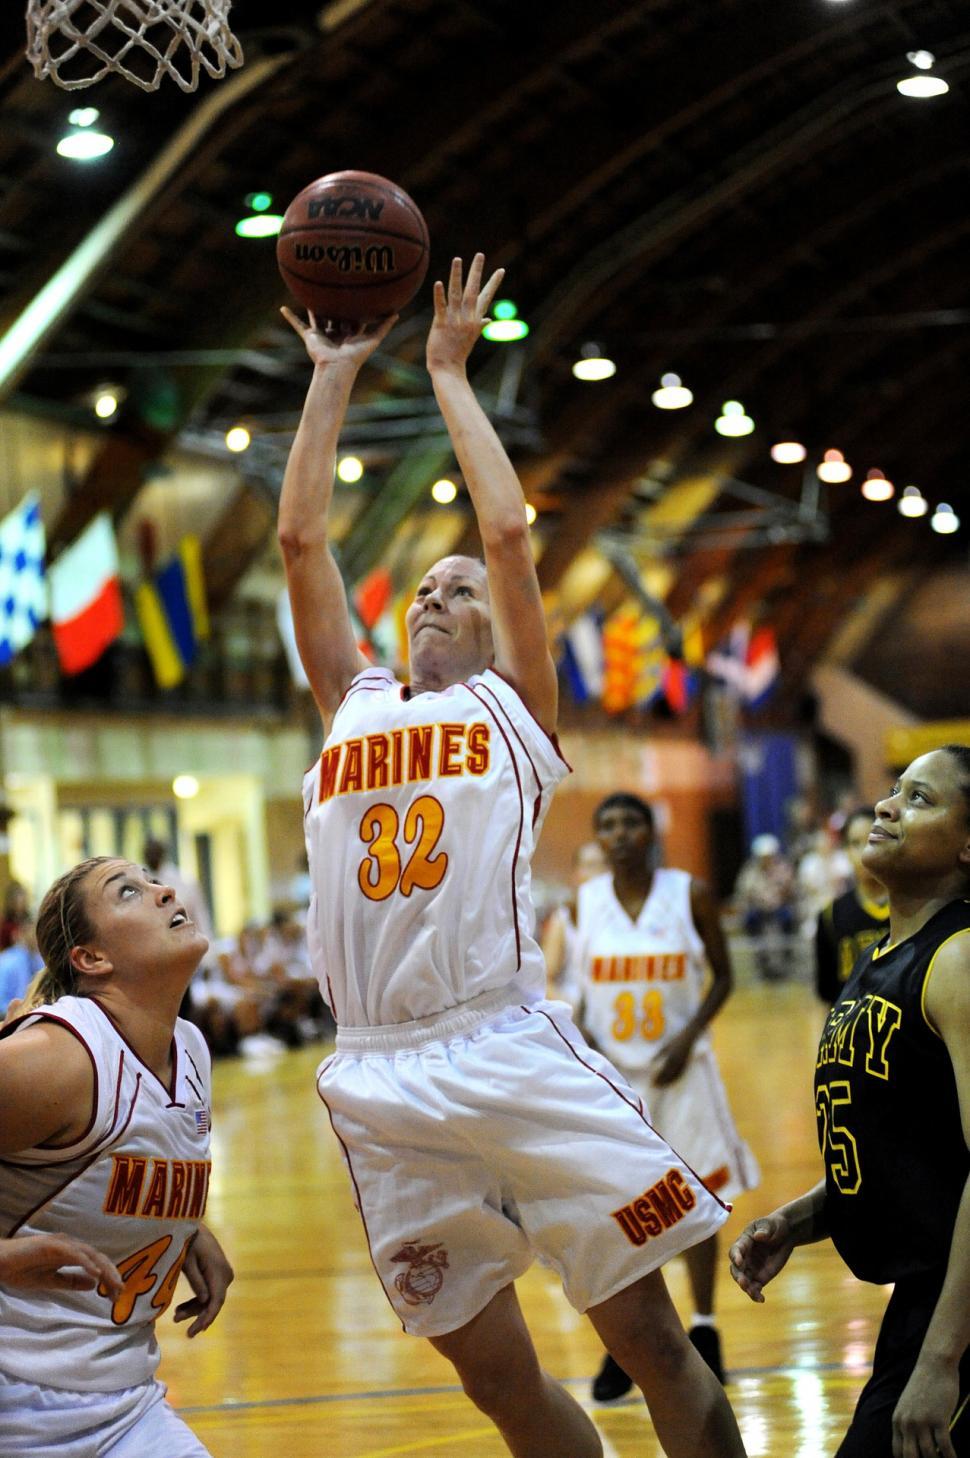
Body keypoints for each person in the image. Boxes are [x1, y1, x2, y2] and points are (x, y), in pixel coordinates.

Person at [279, 254, 749, 1458]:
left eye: (459, 591)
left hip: (500, 1042)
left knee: (651, 1346)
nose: (434, 597)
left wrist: (448, 371)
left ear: (498, 626)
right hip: (378, 1074)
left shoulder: (511, 709)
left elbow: (502, 528)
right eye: (422, 590)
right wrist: (332, 371)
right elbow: (298, 539)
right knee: (499, 1389)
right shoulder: (352, 707)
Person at [729, 745, 970, 1458]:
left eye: (920, 799)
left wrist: (943, 1360)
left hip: (956, 1315)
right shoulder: (878, 961)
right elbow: (907, 1149)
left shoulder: (958, 959)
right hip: (928, 1302)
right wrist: (802, 1218)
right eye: (895, 790)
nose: (887, 806)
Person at [0, 856, 233, 1458]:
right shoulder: (59, 1059)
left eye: (151, 881)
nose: (164, 892)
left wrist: (180, 1225)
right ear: (91, 958)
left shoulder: (188, 1047)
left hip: (125, 1405)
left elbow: (98, 1168)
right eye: (127, 892)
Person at [574, 792, 759, 1400]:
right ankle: (630, 1343)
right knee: (625, 1209)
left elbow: (724, 977)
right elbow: (580, 994)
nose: (619, 833)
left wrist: (688, 1037)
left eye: (630, 822)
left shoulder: (690, 894)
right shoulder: (585, 902)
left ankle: (704, 1327)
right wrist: (586, 1045)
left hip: (683, 1072)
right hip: (617, 1082)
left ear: (650, 832)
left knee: (697, 1198)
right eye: (607, 824)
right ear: (598, 839)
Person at [814, 804, 890, 1005]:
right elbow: (827, 993)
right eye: (855, 843)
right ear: (846, 851)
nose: (865, 851)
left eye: (873, 839)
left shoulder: (914, 906)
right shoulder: (830, 915)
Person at [540, 839, 607, 1005]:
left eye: (604, 865)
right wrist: (570, 1008)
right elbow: (545, 980)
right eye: (590, 865)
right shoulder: (563, 919)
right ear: (576, 874)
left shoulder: (619, 918)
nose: (598, 872)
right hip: (575, 1008)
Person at [734, 832, 797, 979]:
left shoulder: (784, 869)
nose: (766, 860)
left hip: (780, 908)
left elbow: (791, 892)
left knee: (787, 917)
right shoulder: (750, 871)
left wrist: (782, 895)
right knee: (750, 919)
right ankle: (761, 960)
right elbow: (744, 893)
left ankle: (786, 958)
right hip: (758, 910)